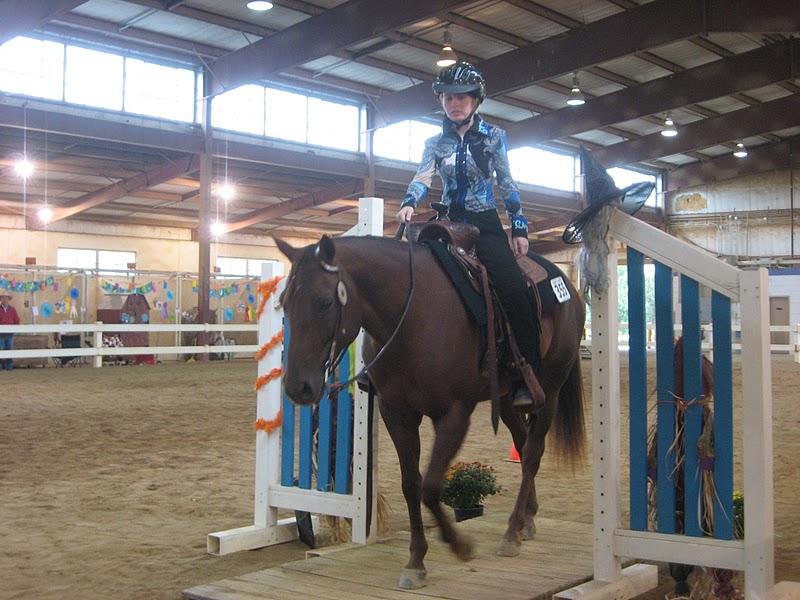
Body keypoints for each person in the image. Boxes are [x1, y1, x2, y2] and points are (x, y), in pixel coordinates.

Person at [396, 61, 543, 412]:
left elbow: (506, 182)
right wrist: (408, 203)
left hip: (484, 224)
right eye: (447, 98)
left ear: (475, 100)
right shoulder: (435, 142)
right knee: (409, 278)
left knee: (513, 289)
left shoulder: (494, 137)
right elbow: (423, 176)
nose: (454, 103)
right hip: (446, 222)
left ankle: (528, 375)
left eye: (461, 97)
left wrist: (518, 225)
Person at [0, 292, 21, 371]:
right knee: (0, 350)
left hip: (10, 334)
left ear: (8, 299)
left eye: (6, 298)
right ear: (1, 300)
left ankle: (9, 368)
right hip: (0, 334)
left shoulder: (12, 309)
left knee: (10, 350)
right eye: (3, 298)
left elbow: (17, 320)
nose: (4, 300)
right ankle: (1, 368)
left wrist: (15, 329)